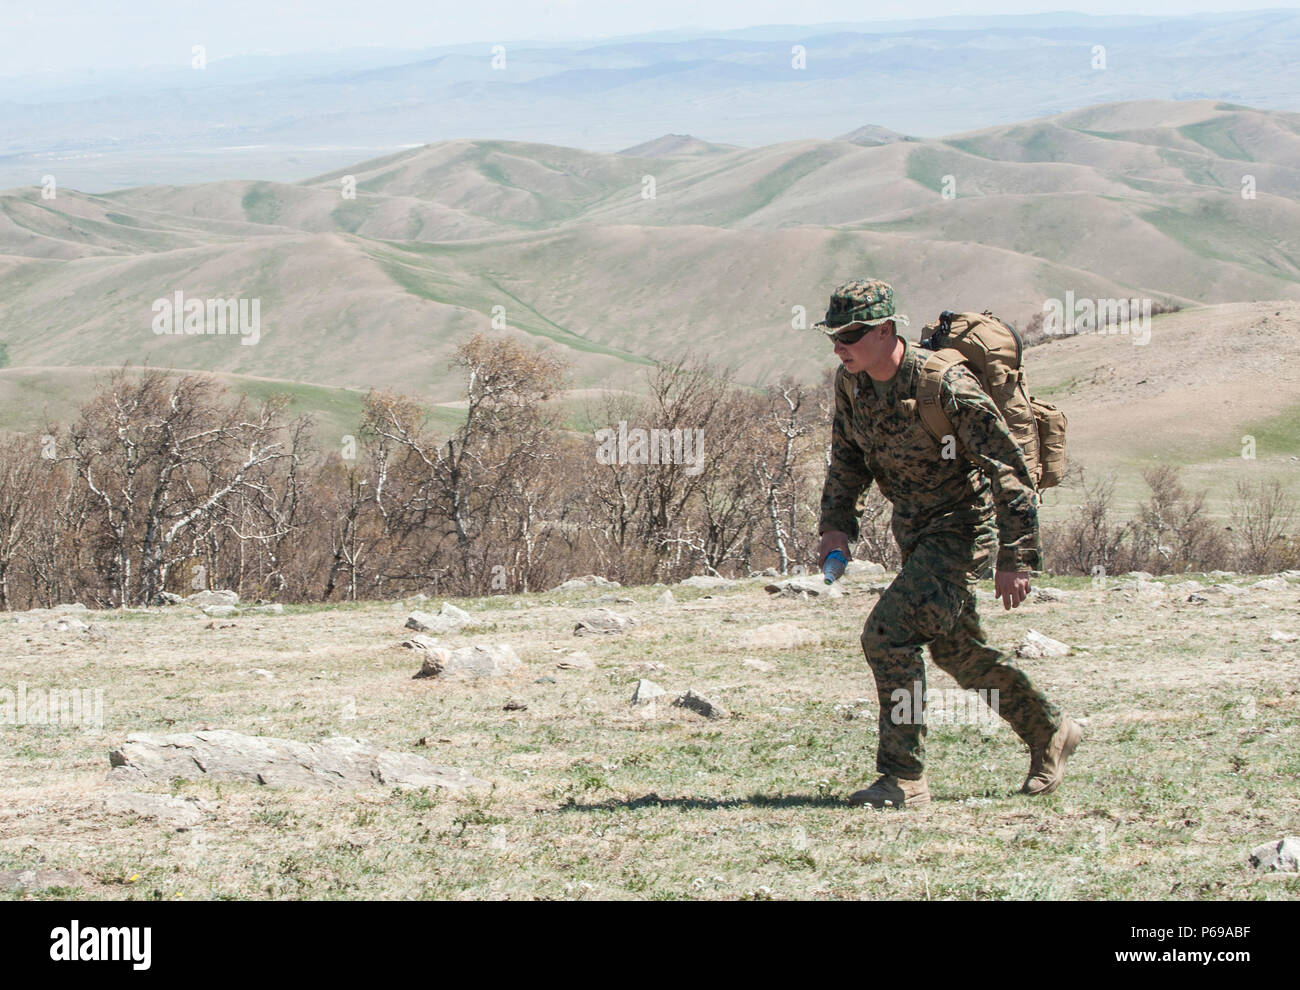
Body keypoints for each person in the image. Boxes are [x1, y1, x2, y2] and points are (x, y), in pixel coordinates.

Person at [813, 278, 1081, 809]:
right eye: (832, 337)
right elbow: (846, 457)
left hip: (964, 527)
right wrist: (836, 525)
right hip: (913, 528)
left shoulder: (945, 386)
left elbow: (1009, 468)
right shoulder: (853, 384)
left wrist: (1016, 556)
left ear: (886, 329)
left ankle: (903, 777)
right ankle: (1051, 731)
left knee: (888, 635)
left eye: (850, 334)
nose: (839, 346)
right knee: (957, 651)